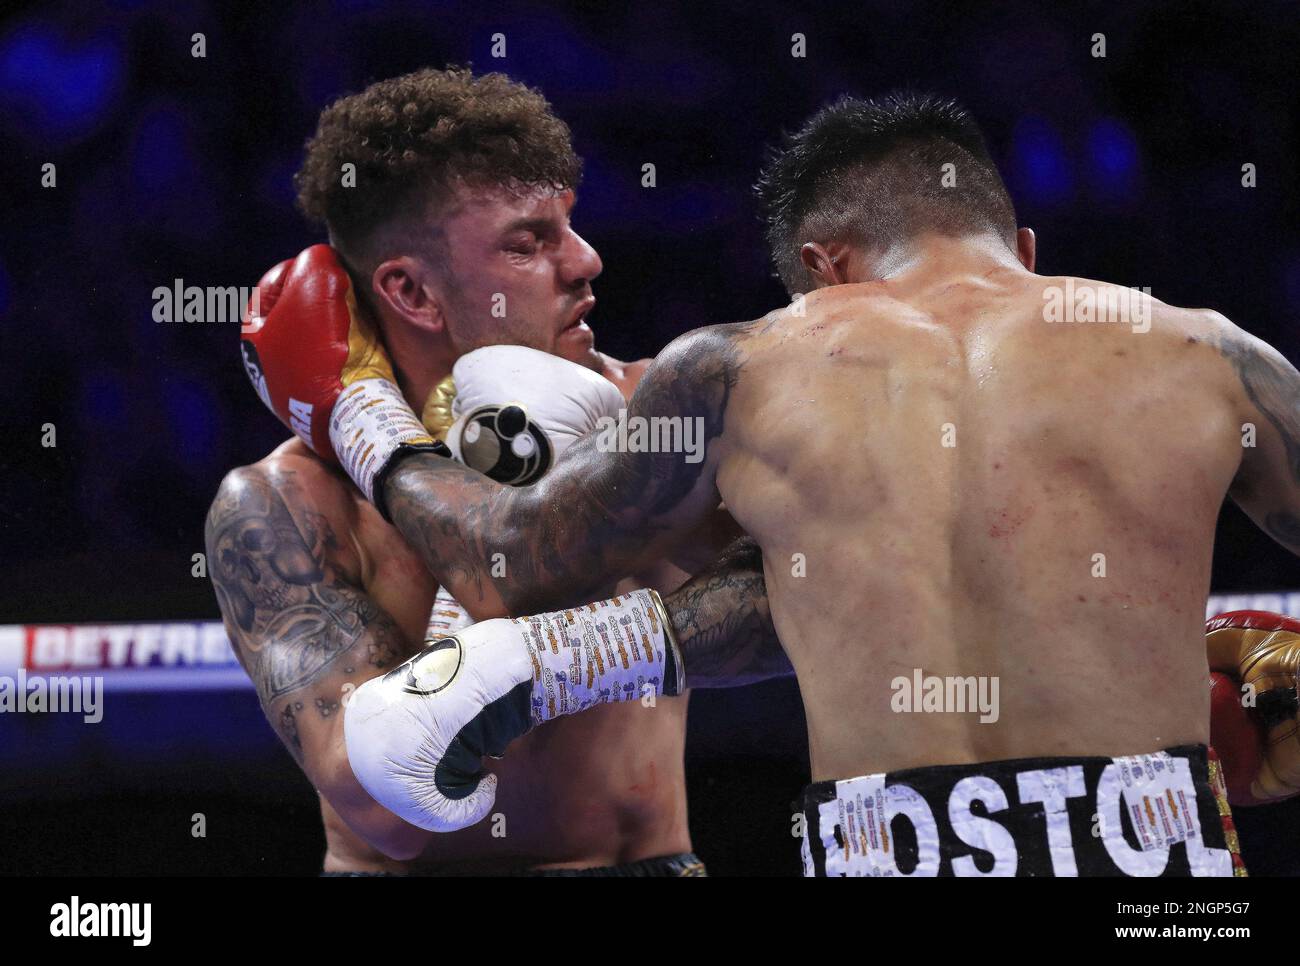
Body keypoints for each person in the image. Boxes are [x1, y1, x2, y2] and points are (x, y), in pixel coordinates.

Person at [298, 92, 1300, 876]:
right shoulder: (1204, 354)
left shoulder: (751, 365)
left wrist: (354, 400)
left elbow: (499, 561)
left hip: (882, 849)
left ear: (823, 270)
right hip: (1161, 861)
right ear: (1023, 250)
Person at [208, 67, 757, 876]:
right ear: (412, 292)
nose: (586, 261)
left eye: (570, 226)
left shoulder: (650, 418)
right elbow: (384, 812)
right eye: (528, 241)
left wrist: (581, 651)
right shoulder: (286, 504)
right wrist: (377, 432)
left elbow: (824, 587)